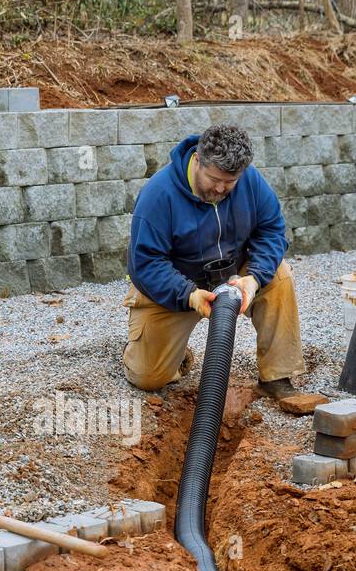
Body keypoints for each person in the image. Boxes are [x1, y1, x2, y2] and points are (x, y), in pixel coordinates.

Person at [122, 123, 305, 406]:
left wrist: (254, 279)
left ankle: (277, 377)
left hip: (232, 273)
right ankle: (168, 355)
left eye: (229, 182)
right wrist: (189, 295)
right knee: (148, 378)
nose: (220, 188)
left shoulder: (251, 182)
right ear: (197, 160)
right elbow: (147, 262)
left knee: (278, 275)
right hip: (178, 283)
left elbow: (271, 230)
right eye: (213, 178)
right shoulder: (159, 195)